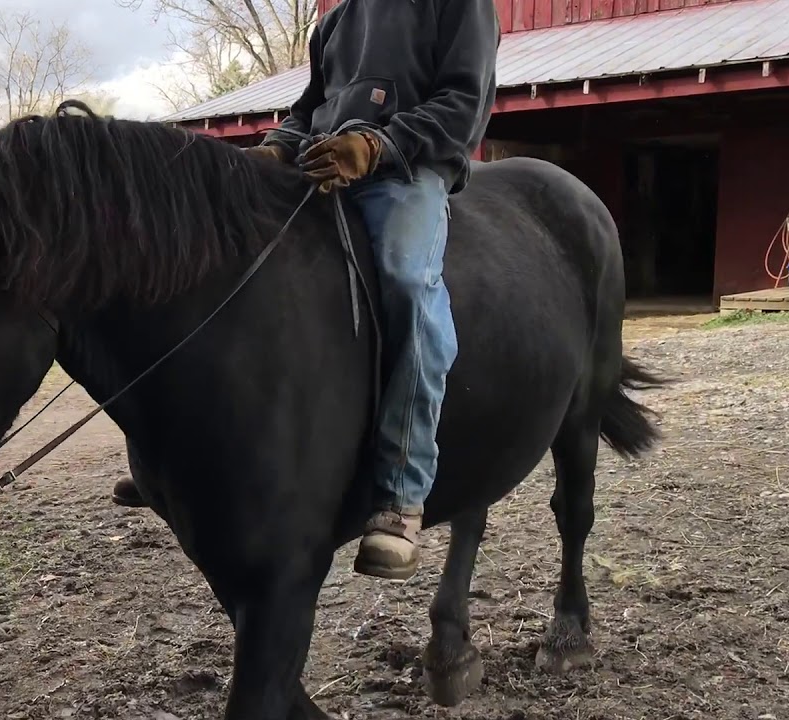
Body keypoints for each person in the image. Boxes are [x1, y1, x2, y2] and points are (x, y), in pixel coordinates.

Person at [111, 0, 499, 581]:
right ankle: (175, 459)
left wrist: (376, 147)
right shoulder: (338, 20)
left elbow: (464, 104)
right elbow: (310, 108)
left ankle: (399, 496)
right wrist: (276, 148)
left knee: (408, 287)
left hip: (406, 173)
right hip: (324, 166)